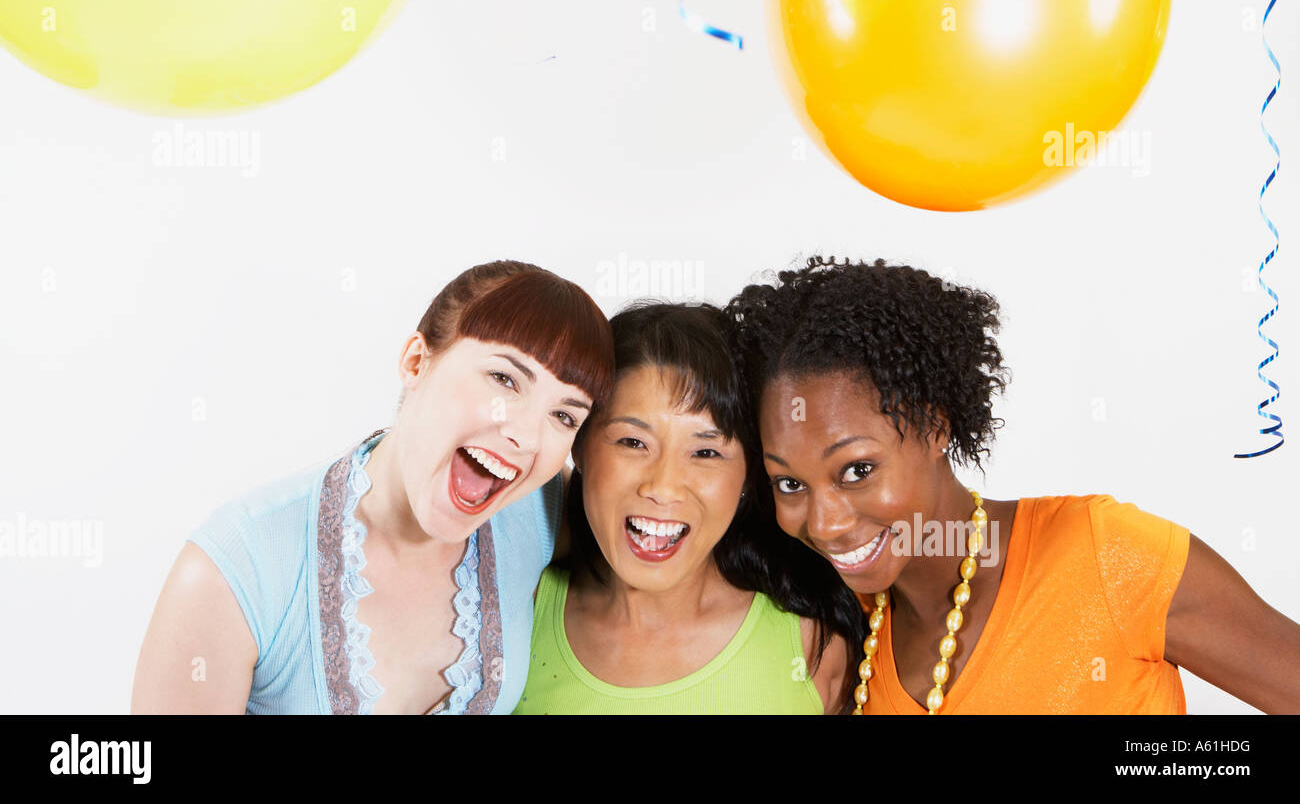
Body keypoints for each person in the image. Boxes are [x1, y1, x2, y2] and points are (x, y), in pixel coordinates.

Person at [724, 256, 1300, 714]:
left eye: (857, 470)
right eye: (790, 483)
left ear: (935, 424)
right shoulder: (840, 627)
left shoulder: (1105, 554)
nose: (825, 522)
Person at [131, 260, 614, 714]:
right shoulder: (240, 564)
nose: (526, 436)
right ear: (416, 362)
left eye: (564, 415)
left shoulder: (540, 512)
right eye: (504, 379)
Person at [513, 302, 863, 714]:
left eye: (706, 452)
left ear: (749, 475)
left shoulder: (812, 642)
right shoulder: (517, 620)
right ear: (580, 448)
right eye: (632, 442)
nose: (662, 487)